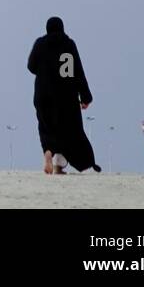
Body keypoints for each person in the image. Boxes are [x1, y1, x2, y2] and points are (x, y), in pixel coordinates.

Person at [27, 16, 101, 174]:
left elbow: (31, 66)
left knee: (46, 127)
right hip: (66, 96)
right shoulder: (69, 44)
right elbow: (78, 72)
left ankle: (48, 152)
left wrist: (45, 70)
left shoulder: (40, 44)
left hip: (43, 94)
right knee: (67, 130)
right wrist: (86, 97)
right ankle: (59, 165)